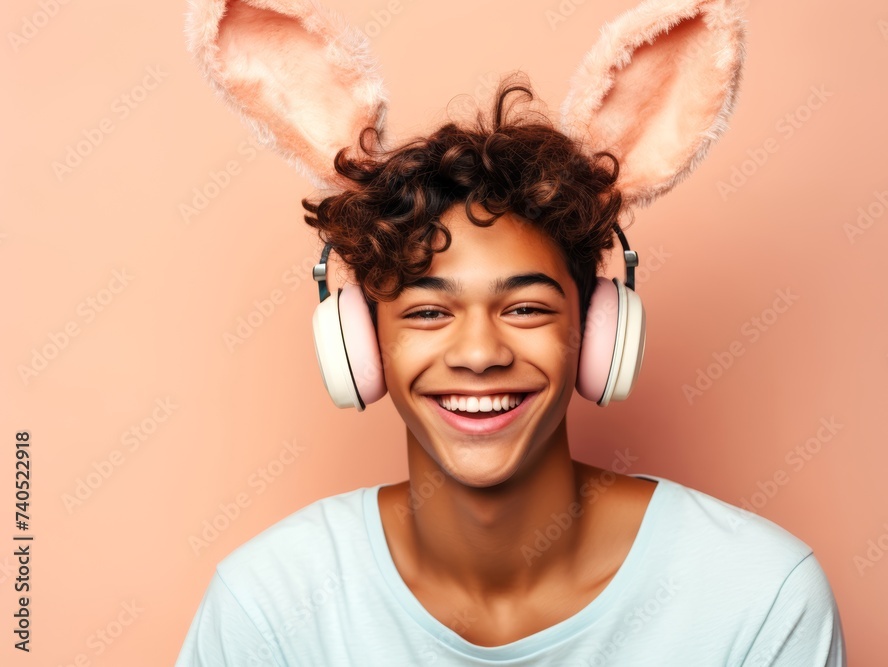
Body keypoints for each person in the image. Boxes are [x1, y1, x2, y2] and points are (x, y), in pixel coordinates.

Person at [179, 1, 846, 664]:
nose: (479, 354)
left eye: (525, 309)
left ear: (595, 330)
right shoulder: (267, 607)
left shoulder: (758, 599)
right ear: (363, 342)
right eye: (428, 312)